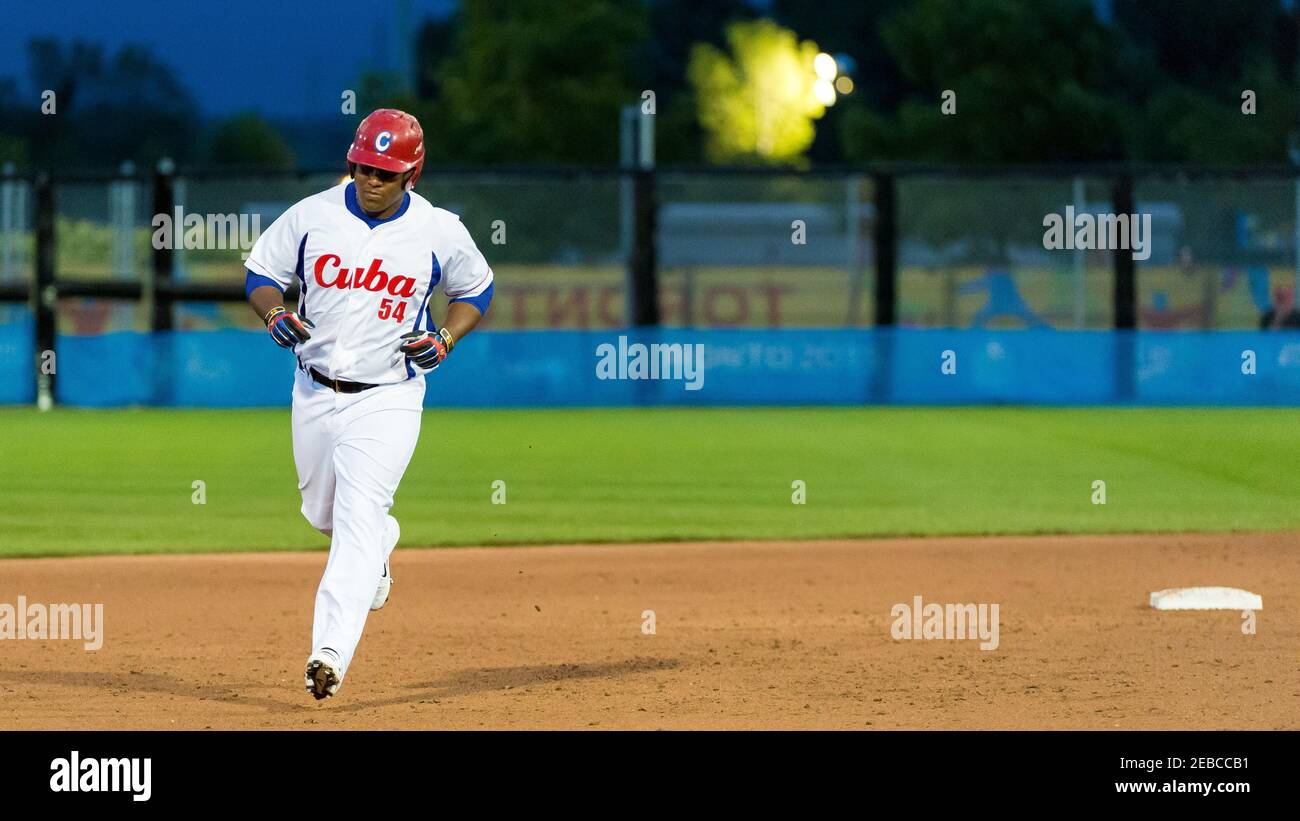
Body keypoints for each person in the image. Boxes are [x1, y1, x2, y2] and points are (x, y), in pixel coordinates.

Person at [243, 109, 494, 699]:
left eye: (386, 171)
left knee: (355, 522)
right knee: (323, 516)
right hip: (313, 388)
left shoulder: (438, 229)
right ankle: (381, 545)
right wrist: (274, 311)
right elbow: (260, 270)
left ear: (412, 172)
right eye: (363, 167)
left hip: (389, 398)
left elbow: (476, 288)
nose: (372, 180)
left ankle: (329, 653)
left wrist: (447, 337)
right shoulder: (314, 214)